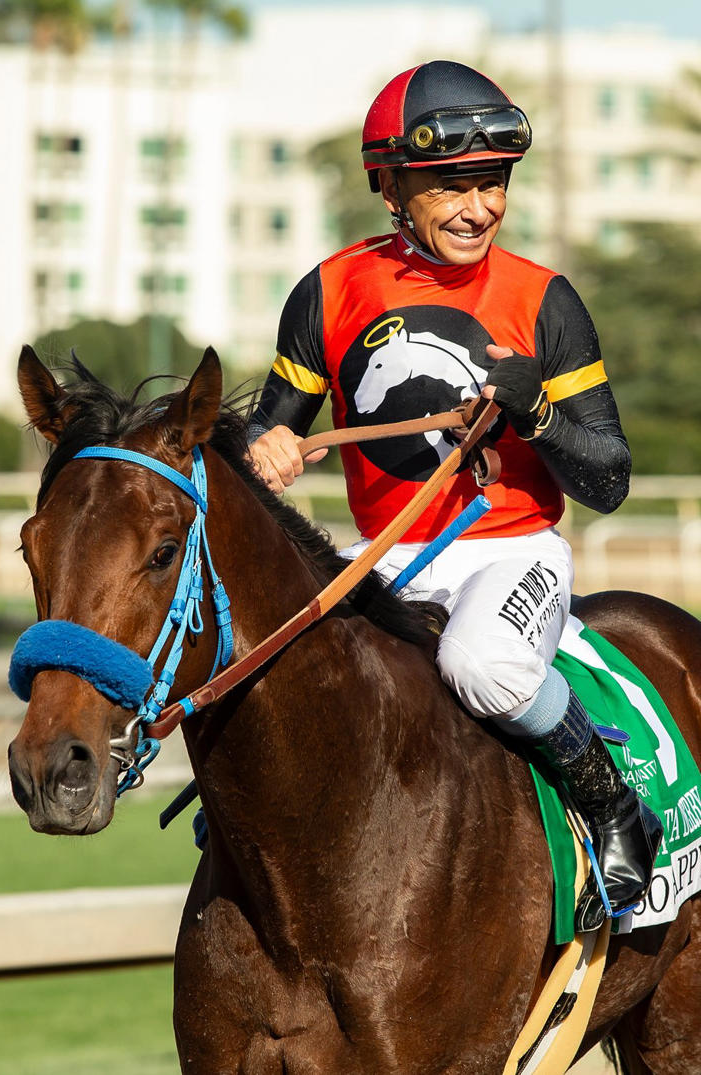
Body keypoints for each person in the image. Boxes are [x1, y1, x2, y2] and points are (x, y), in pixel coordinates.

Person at [247, 59, 662, 931]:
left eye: (493, 183)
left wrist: (539, 413)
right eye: (452, 187)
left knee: (483, 662)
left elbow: (610, 478)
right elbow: (267, 431)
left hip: (512, 553)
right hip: (381, 560)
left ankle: (615, 804)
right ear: (391, 185)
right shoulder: (326, 291)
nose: (479, 207)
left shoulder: (545, 300)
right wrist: (267, 445)